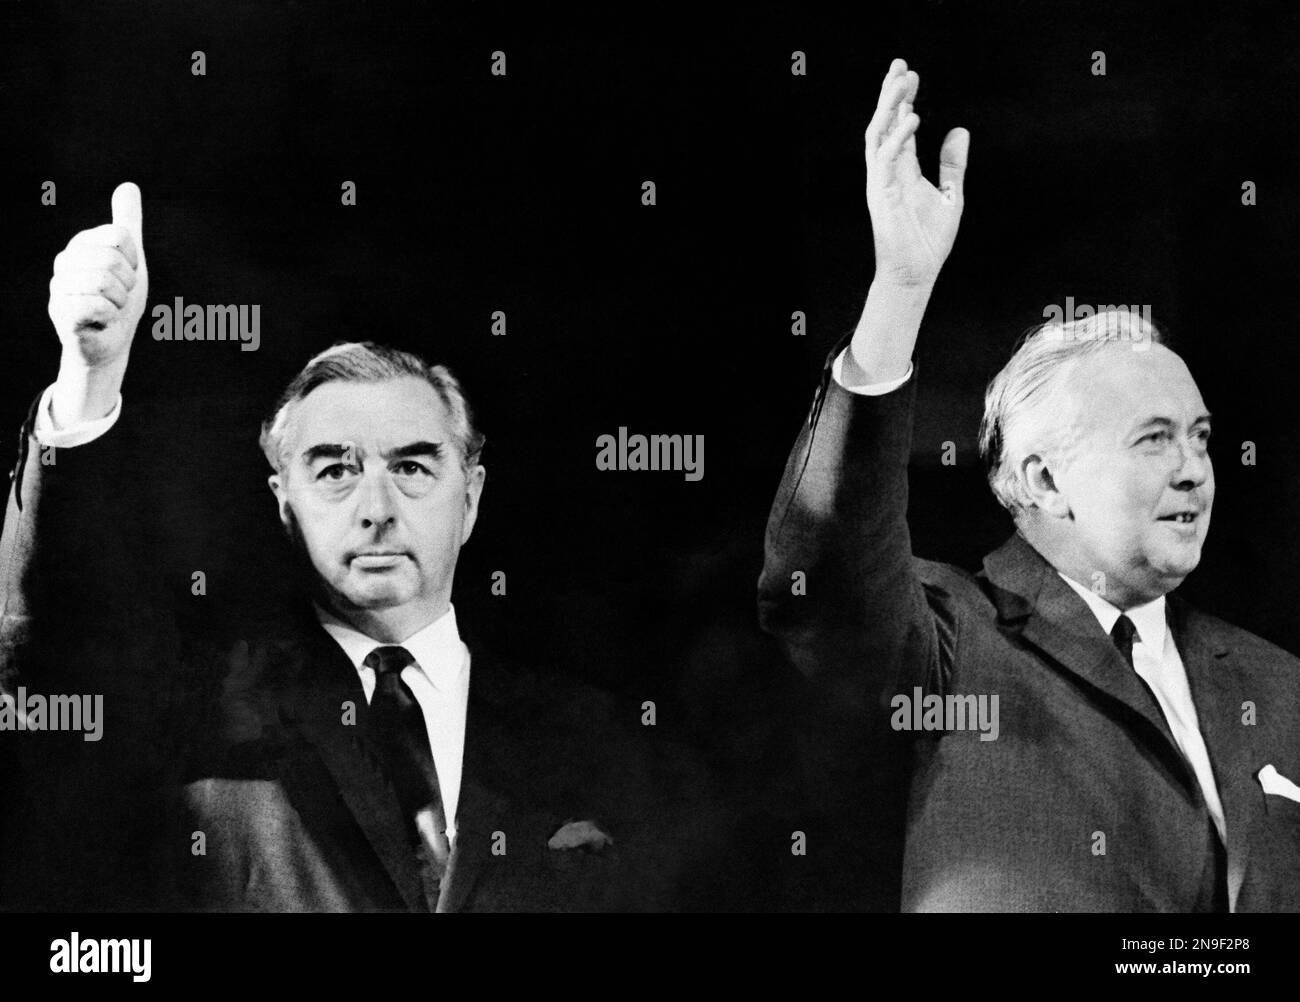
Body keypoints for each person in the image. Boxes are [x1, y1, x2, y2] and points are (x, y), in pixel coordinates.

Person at [758, 59, 1300, 911]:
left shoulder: (1278, 684)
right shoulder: (948, 643)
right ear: (1043, 477)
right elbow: (825, 566)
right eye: (1152, 440)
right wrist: (899, 291)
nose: (1194, 467)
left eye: (1199, 437)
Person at [0, 184, 632, 911]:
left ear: (473, 495)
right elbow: (60, 646)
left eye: (412, 467)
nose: (376, 510)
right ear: (283, 501)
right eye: (335, 470)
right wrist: (88, 379)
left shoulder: (592, 735)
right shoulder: (196, 704)